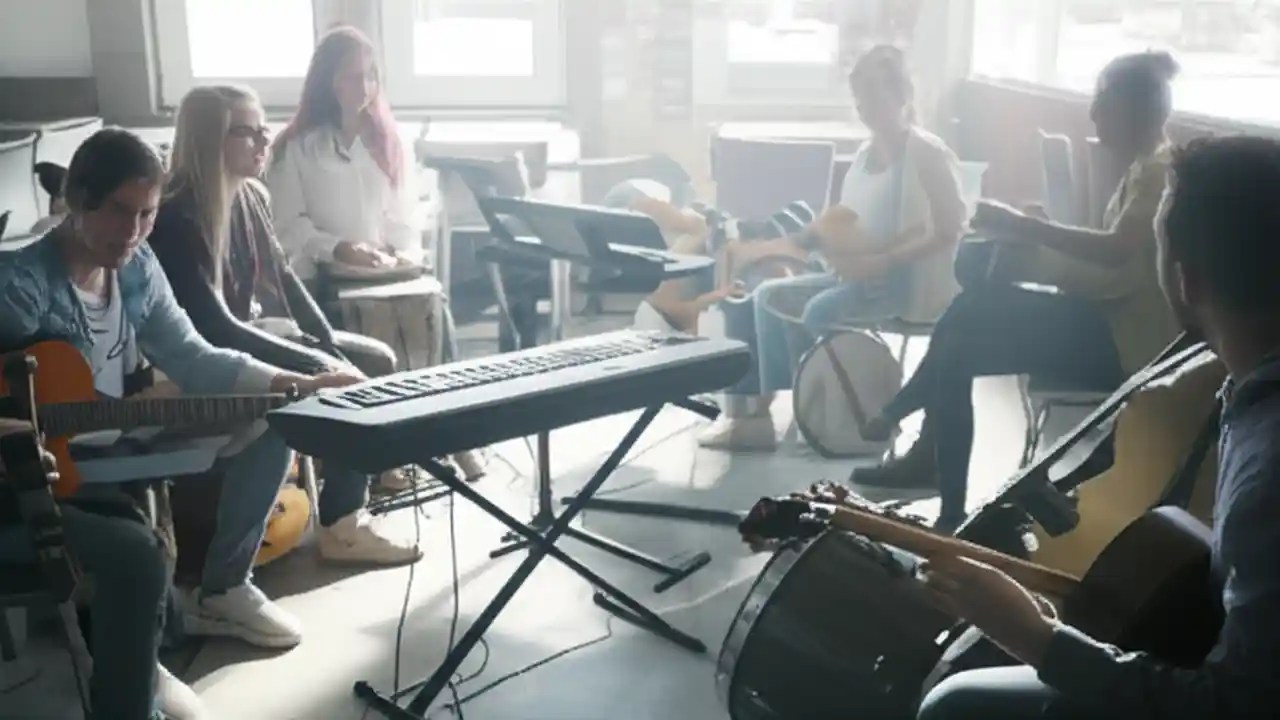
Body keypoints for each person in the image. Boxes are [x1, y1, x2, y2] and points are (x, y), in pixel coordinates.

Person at [0, 129, 364, 718]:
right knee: (139, 553)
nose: (133, 232)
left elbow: (192, 355)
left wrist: (295, 384)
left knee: (274, 421)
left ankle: (220, 589)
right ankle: (136, 682)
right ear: (76, 197)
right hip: (27, 480)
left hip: (105, 443)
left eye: (146, 214)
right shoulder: (17, 286)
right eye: (119, 211)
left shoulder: (137, 265)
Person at [915, 135, 1280, 720]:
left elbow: (1240, 705)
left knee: (956, 704)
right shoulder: (1251, 394)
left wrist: (1034, 636)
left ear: (1185, 281)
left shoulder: (1268, 468)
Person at [854, 51, 1183, 532]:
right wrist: (1041, 230)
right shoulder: (1144, 168)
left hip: (1122, 343)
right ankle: (941, 493)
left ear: (1135, 108)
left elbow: (1115, 254)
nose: (1092, 115)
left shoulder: (1158, 171)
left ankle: (920, 444)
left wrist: (1026, 227)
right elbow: (1118, 259)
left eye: (1101, 102)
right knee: (968, 327)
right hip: (1106, 321)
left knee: (972, 316)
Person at [148, 85, 423, 566]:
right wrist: (317, 366)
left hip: (253, 334)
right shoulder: (176, 215)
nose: (264, 142)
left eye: (263, 129)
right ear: (212, 139)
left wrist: (327, 344)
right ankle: (343, 526)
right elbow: (216, 327)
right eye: (248, 133)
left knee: (372, 360)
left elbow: (287, 279)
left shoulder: (251, 195)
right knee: (344, 383)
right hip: (207, 357)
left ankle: (344, 514)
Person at [698, 45, 967, 451]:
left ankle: (827, 412)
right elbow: (842, 221)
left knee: (818, 310)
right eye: (860, 94)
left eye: (876, 93)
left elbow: (951, 229)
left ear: (903, 94)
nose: (866, 104)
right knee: (765, 296)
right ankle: (765, 415)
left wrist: (883, 260)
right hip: (854, 273)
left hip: (899, 282)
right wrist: (783, 250)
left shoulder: (925, 152)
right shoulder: (862, 155)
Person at [265, 25, 483, 479]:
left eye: (370, 76)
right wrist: (341, 248)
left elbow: (403, 218)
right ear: (326, 80)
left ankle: (454, 432)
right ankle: (385, 449)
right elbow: (289, 229)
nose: (361, 87)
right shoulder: (294, 147)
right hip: (326, 276)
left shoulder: (388, 140)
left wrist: (399, 254)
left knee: (435, 312)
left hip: (382, 271)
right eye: (350, 76)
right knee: (366, 338)